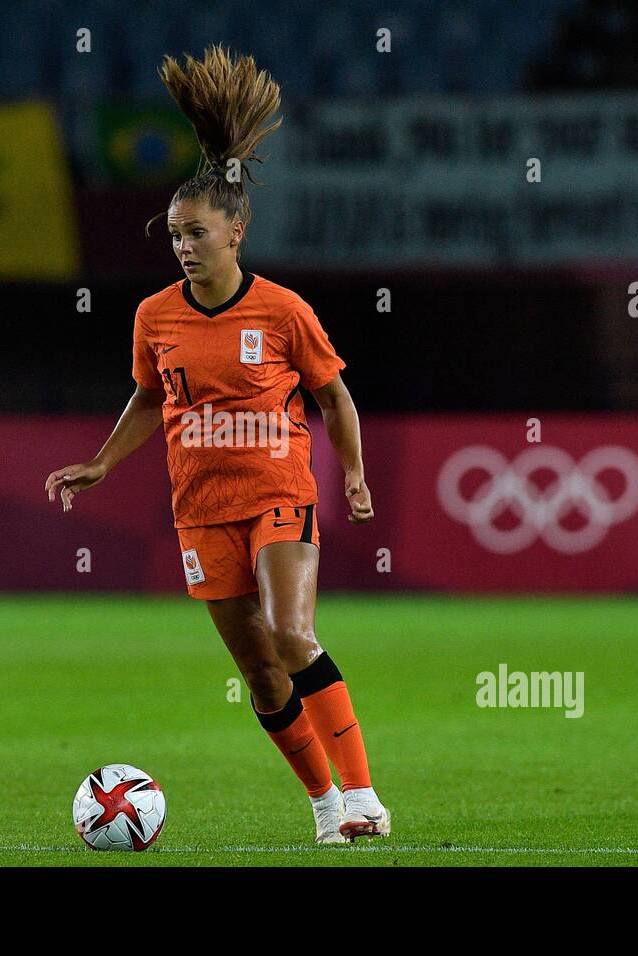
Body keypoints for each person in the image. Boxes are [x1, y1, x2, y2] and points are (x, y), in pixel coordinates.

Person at [44, 44, 388, 845]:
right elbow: (149, 395)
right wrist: (101, 460)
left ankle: (366, 793)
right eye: (173, 236)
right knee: (262, 676)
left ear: (237, 229)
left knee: (293, 635)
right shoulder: (154, 317)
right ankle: (326, 810)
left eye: (196, 233)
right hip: (201, 511)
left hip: (278, 490)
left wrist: (358, 475)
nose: (183, 247)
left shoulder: (282, 311)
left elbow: (332, 392)